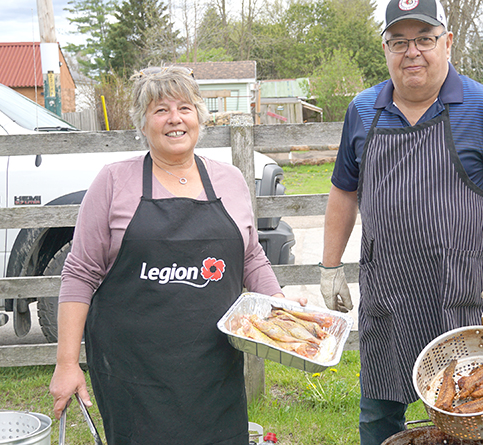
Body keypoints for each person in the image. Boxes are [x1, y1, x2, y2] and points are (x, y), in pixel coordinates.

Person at [318, 1, 483, 443]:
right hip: (388, 296)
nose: (412, 52)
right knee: (378, 417)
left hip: (458, 294)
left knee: (468, 416)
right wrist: (330, 265)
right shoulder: (363, 111)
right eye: (399, 41)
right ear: (385, 48)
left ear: (448, 42)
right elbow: (344, 192)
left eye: (424, 39)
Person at [48, 66, 304, 445]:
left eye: (184, 107)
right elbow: (80, 274)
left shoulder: (230, 180)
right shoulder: (115, 181)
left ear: (199, 116)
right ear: (143, 122)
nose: (175, 119)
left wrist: (280, 305)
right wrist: (66, 363)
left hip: (214, 367)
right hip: (134, 371)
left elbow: (250, 257)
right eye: (160, 109)